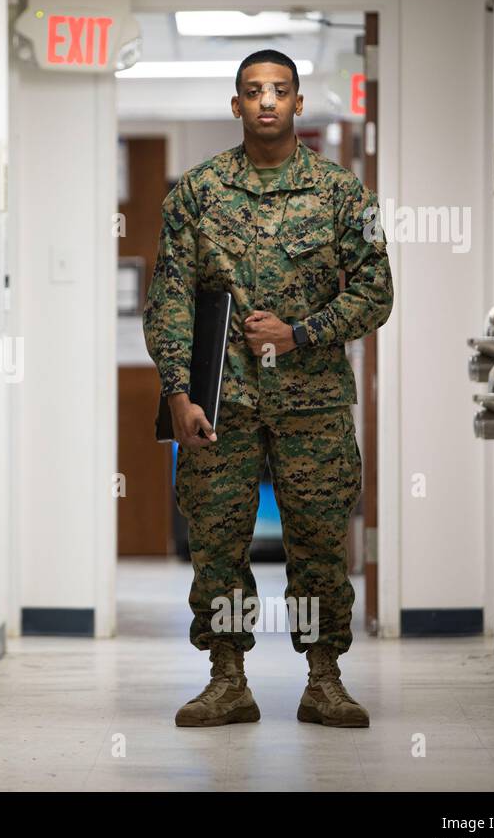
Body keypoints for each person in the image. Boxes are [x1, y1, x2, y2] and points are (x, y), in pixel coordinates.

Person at [142, 49, 394, 728]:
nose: (266, 102)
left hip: (312, 406)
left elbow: (377, 292)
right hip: (222, 403)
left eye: (280, 90)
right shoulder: (196, 194)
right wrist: (176, 393)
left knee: (317, 545)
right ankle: (228, 679)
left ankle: (324, 679)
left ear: (299, 103)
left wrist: (301, 333)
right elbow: (168, 301)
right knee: (218, 544)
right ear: (236, 106)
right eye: (253, 91)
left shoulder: (345, 195)